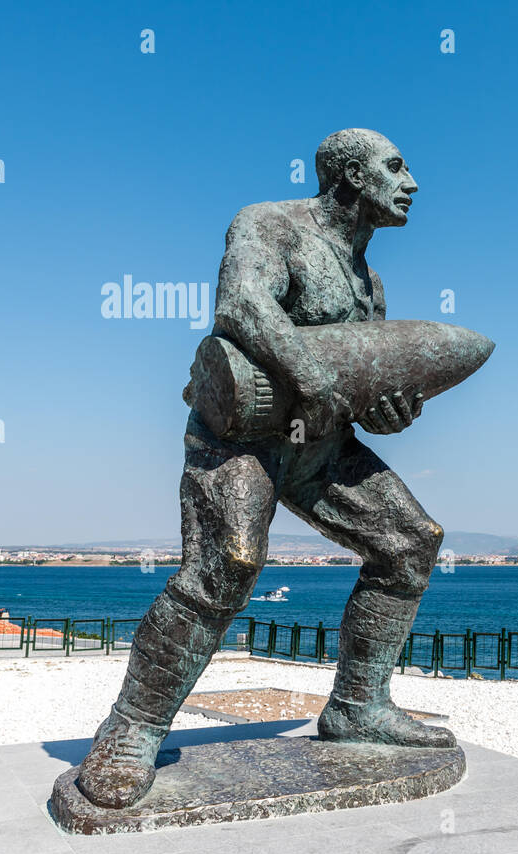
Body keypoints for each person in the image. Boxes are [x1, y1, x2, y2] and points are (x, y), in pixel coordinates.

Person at [77, 130, 454, 810]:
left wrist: (388, 413)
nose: (412, 183)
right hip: (239, 440)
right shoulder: (269, 224)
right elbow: (242, 304)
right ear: (347, 175)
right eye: (395, 168)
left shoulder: (372, 287)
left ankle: (358, 704)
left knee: (410, 542)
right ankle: (132, 725)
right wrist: (309, 373)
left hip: (318, 447)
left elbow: (356, 397)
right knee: (229, 563)